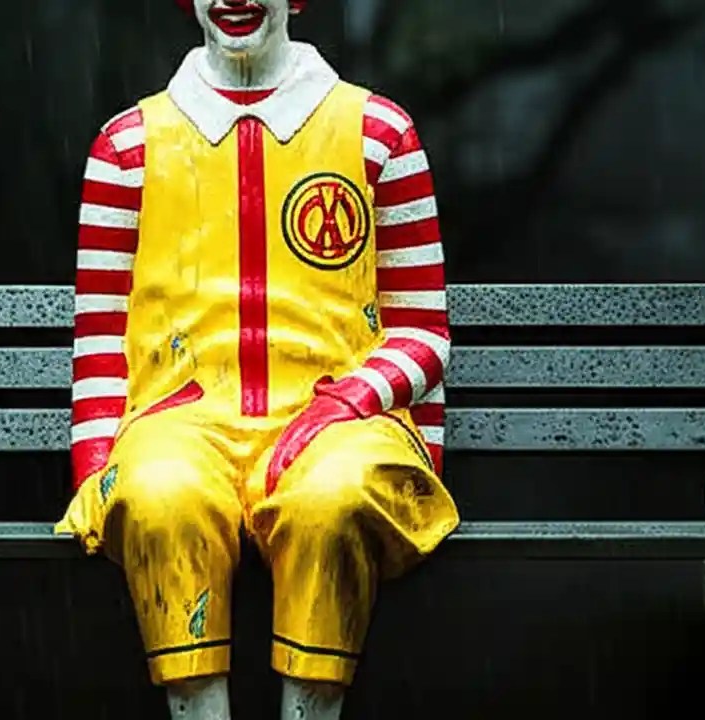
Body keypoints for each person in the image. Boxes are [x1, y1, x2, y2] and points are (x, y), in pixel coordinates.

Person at [55, 1, 459, 717]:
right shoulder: (129, 147)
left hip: (341, 423)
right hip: (180, 421)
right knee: (159, 494)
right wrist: (97, 478)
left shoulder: (378, 134)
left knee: (330, 499)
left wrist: (351, 401)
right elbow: (101, 340)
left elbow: (422, 329)